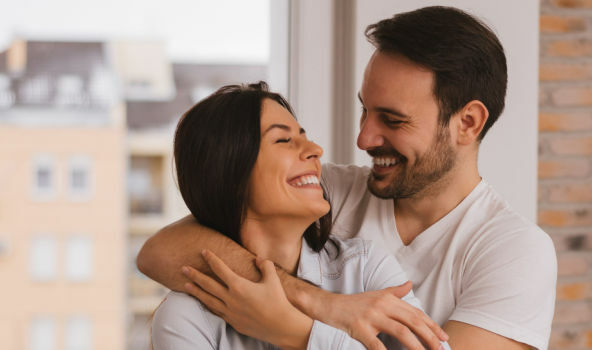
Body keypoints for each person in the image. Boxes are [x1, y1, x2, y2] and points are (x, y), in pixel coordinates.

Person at [138, 6, 557, 350]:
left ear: (467, 122)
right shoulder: (323, 196)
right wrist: (317, 301)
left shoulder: (515, 253)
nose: (363, 138)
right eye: (365, 110)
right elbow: (162, 250)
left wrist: (292, 329)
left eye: (392, 120)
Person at [151, 82, 448, 349]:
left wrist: (295, 332)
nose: (315, 150)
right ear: (229, 174)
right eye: (283, 141)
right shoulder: (186, 319)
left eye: (303, 136)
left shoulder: (364, 268)